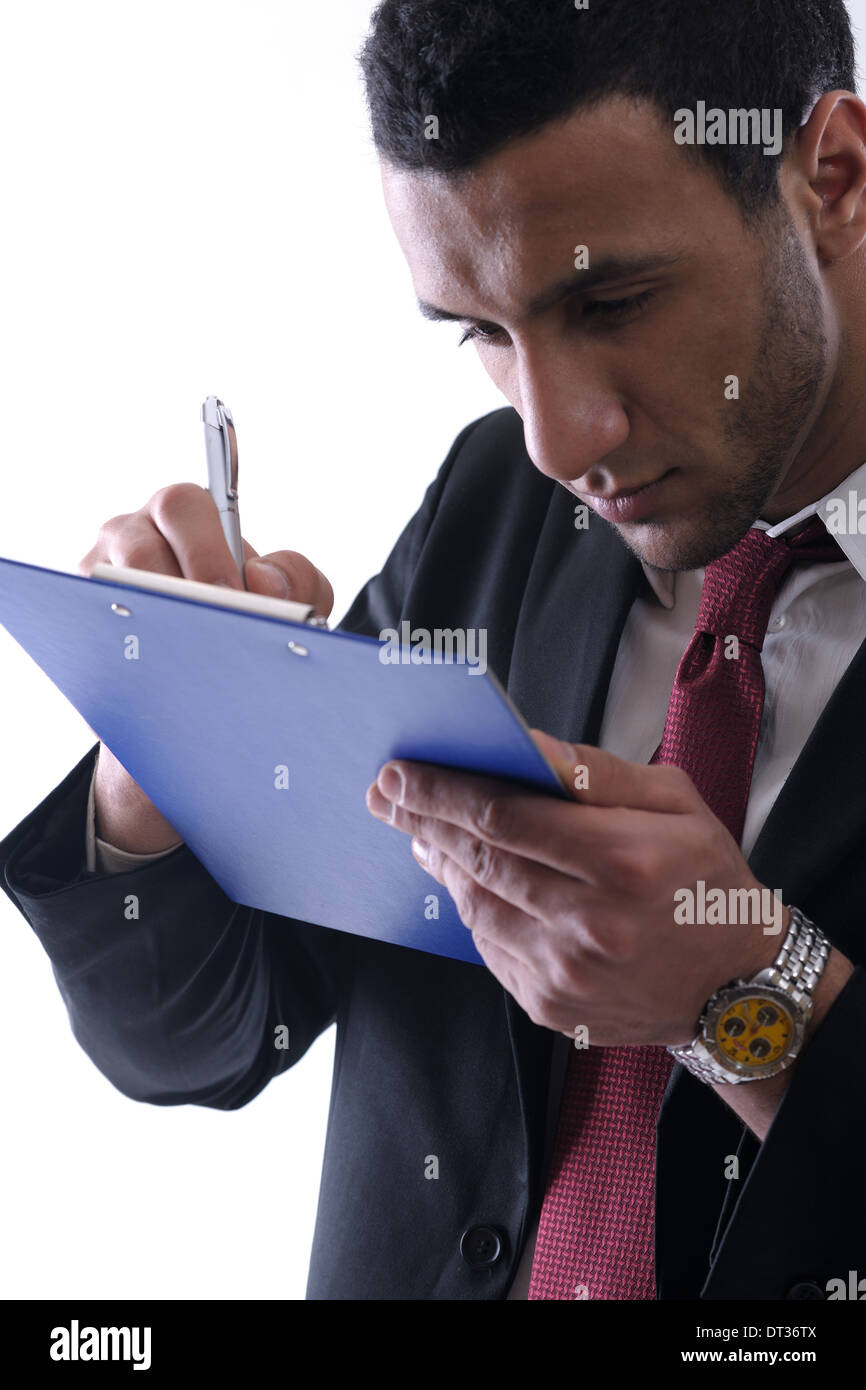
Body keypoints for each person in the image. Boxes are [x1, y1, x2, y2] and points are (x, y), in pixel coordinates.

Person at [2, 0, 865, 1300]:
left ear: (831, 178)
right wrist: (163, 766)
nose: (555, 442)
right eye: (479, 330)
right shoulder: (495, 505)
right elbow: (204, 1040)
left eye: (612, 297)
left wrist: (750, 995)